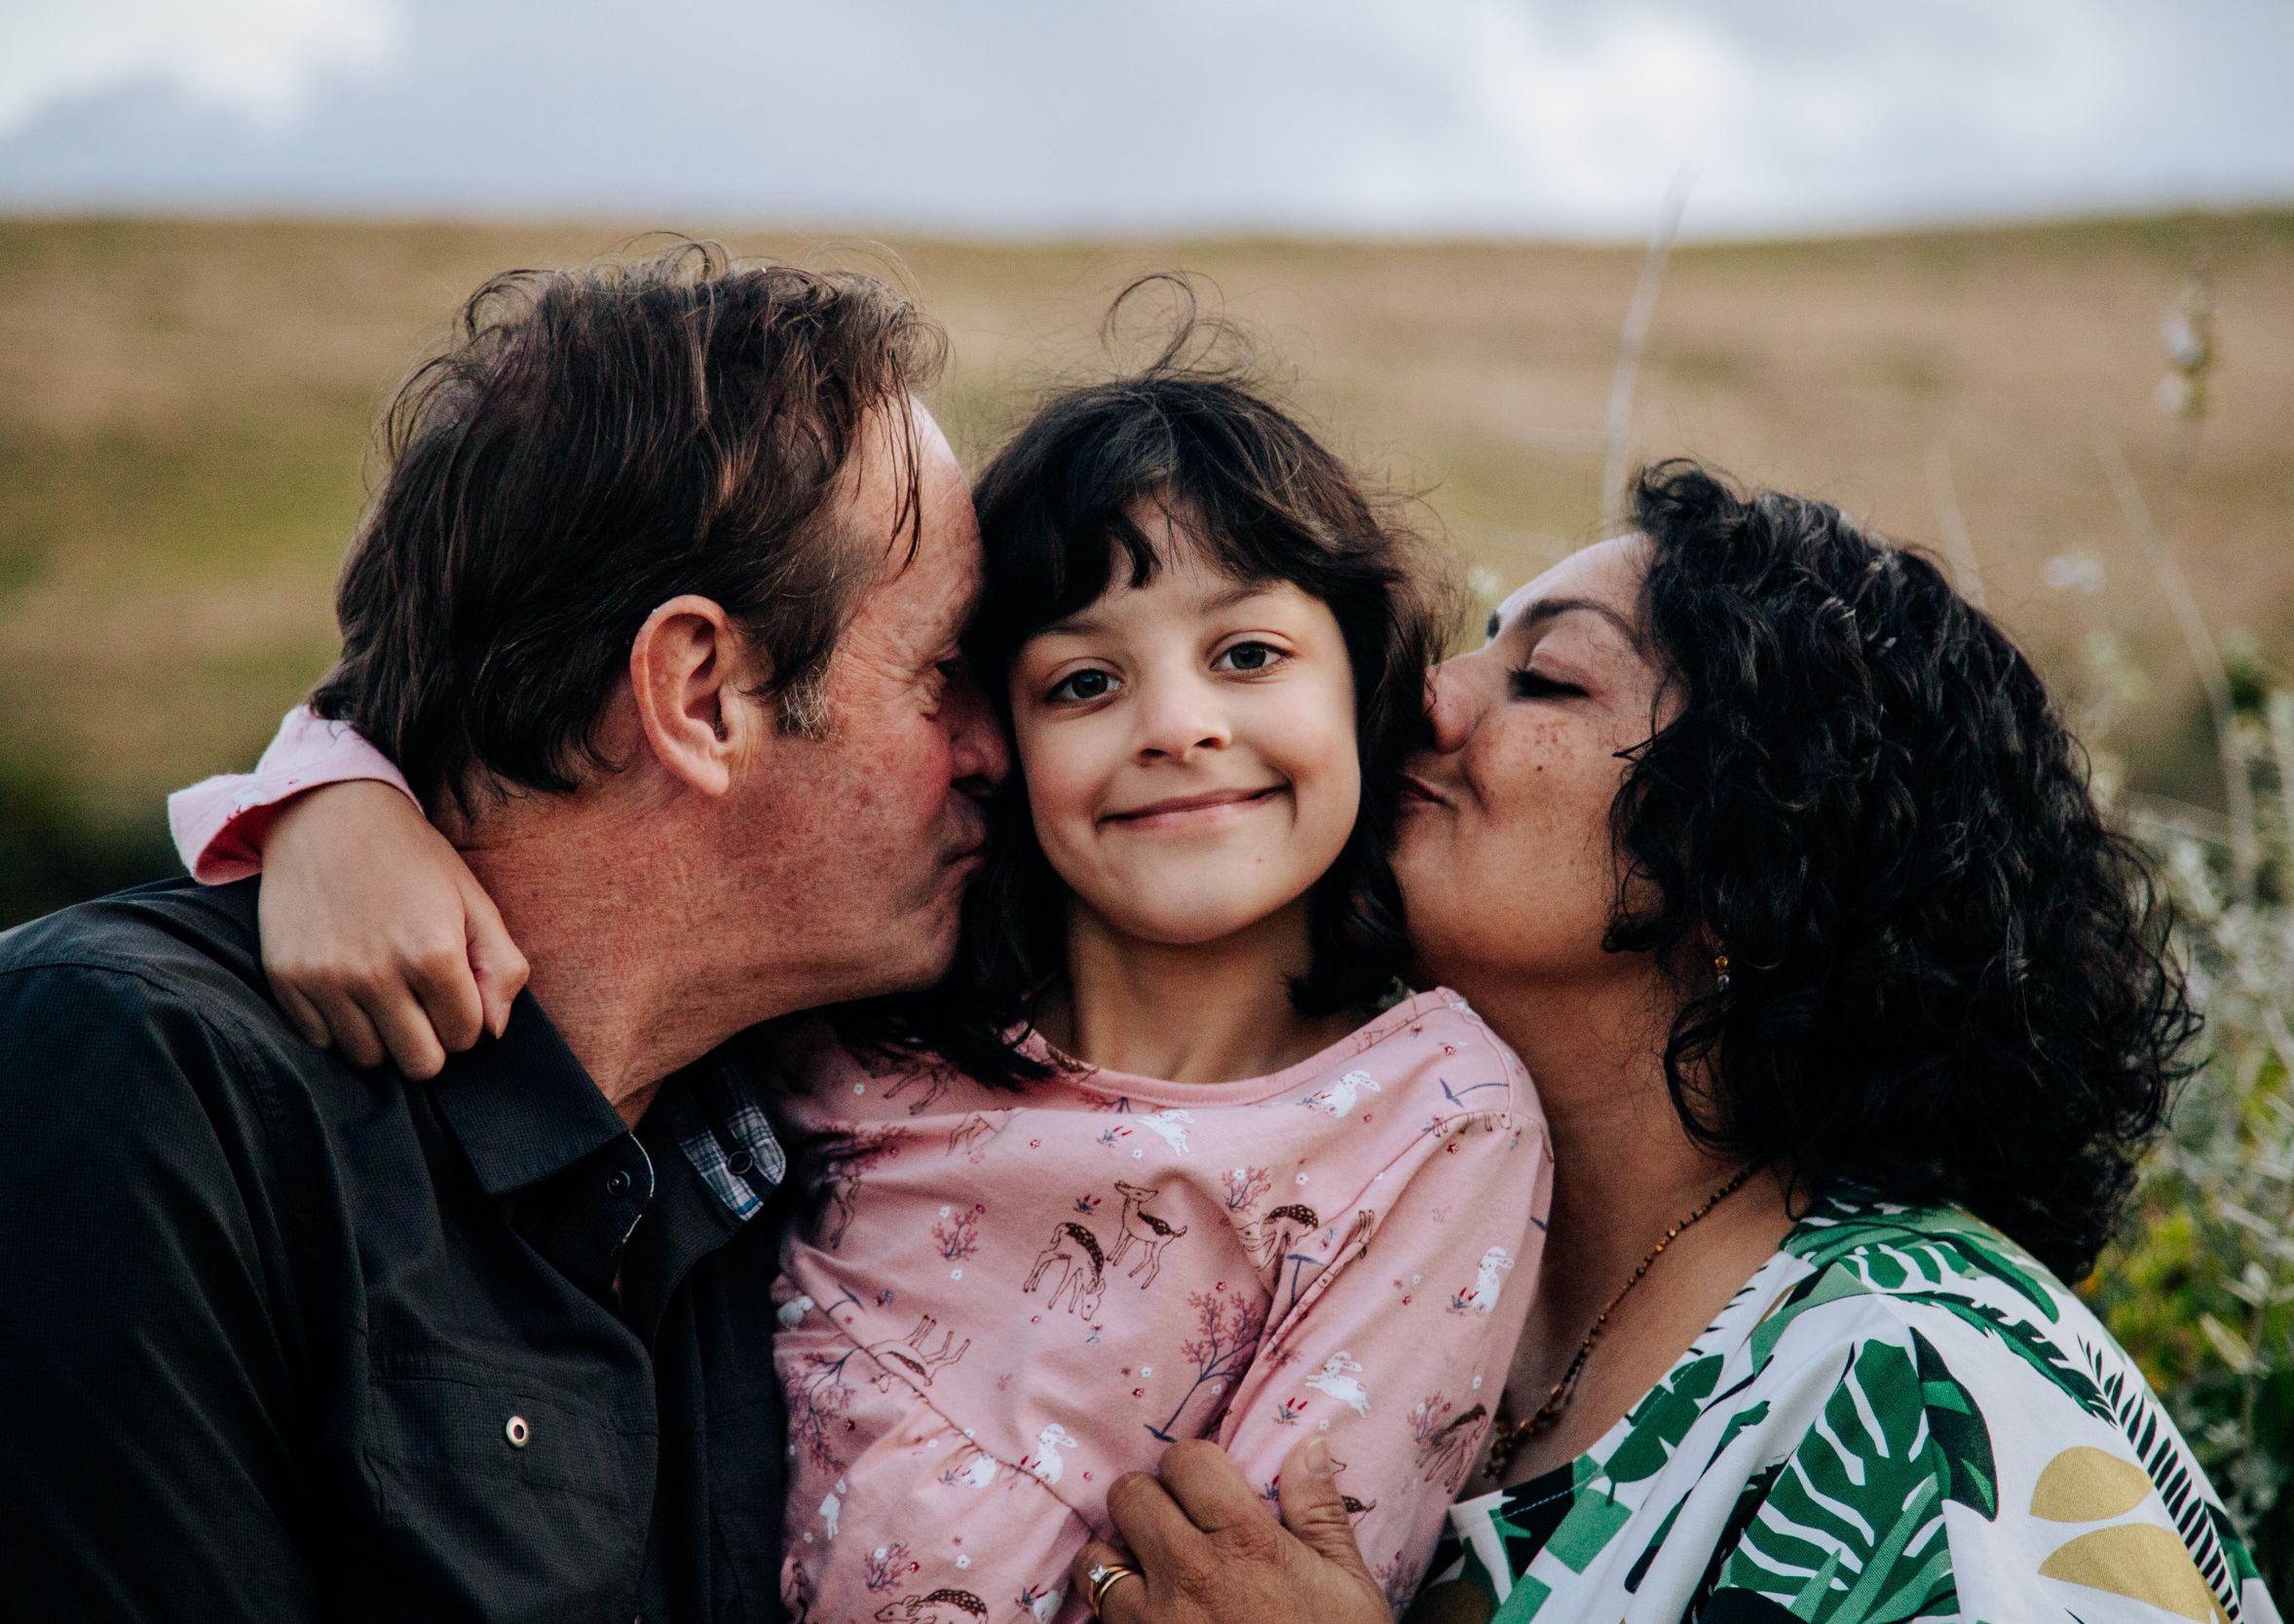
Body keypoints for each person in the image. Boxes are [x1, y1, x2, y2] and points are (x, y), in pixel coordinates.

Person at [161, 332, 1554, 1622]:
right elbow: (556, 814)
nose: (1180, 725)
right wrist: (334, 791)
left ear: (1367, 682)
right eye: (1082, 682)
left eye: (1248, 655)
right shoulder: (856, 1037)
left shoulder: (1427, 1113)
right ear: (1000, 734)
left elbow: (1256, 1571)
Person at [1059, 464, 2283, 1623]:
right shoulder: (1404, 1264)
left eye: (1545, 677)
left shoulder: (1923, 1380)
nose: (1424, 691)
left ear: (1751, 852)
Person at [0, 243, 1008, 1622]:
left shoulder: (817, 1142)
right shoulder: (148, 1088)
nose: (997, 749)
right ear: (699, 694)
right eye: (942, 674)